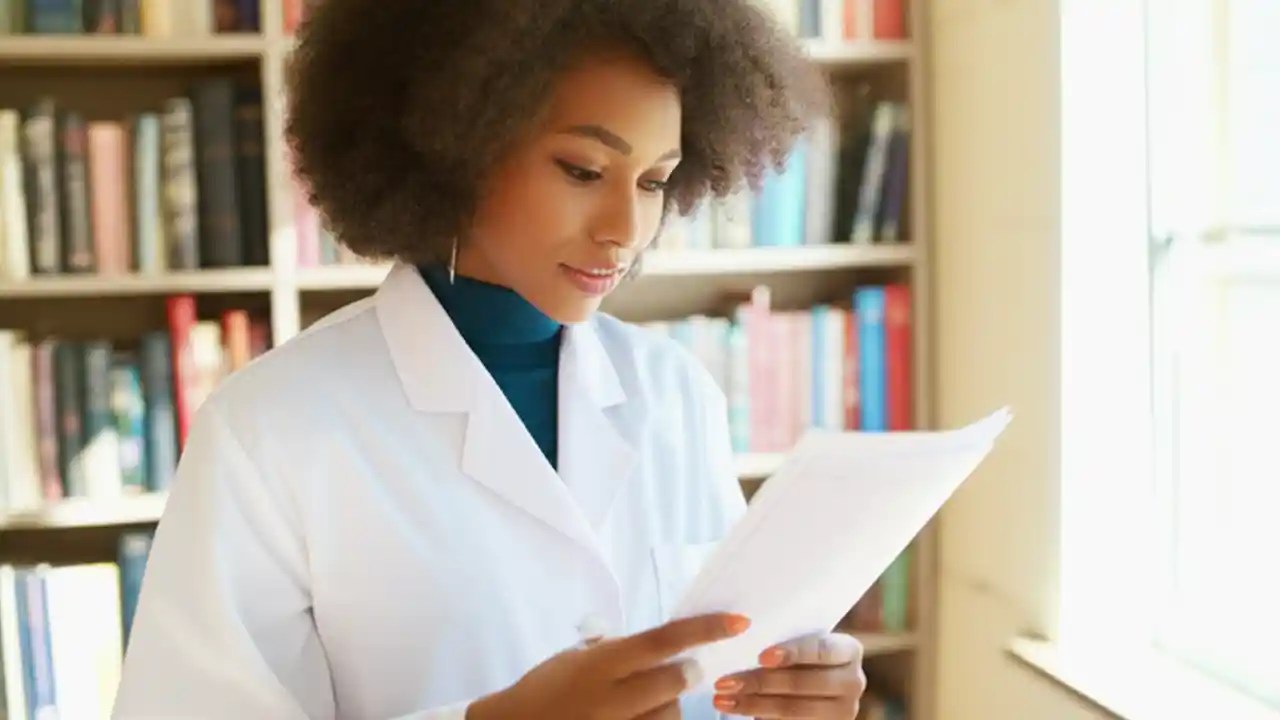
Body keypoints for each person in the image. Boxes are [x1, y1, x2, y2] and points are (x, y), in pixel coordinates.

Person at [113, 1, 867, 718]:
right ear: (455, 146)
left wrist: (786, 697)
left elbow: (716, 671)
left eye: (653, 182)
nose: (625, 228)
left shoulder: (676, 394)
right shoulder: (269, 429)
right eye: (582, 170)